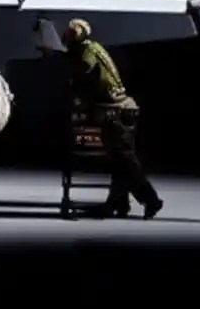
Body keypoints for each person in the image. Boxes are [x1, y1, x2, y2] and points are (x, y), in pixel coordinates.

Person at [63, 18, 164, 219]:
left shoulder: (87, 51)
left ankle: (151, 199)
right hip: (121, 110)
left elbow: (83, 71)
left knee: (126, 161)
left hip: (117, 112)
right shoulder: (93, 47)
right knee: (120, 161)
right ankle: (117, 202)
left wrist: (64, 61)